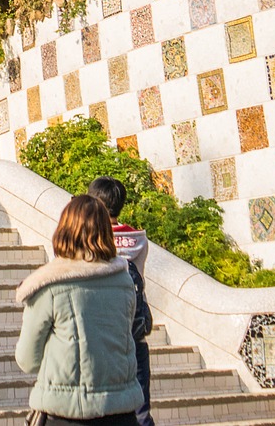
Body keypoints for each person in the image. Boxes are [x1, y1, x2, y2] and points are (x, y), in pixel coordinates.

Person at [15, 195, 144, 426]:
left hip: (66, 413)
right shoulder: (124, 280)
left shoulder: (50, 285)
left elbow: (27, 359)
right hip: (122, 412)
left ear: (64, 230)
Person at [87, 178, 156, 426]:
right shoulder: (139, 239)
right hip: (134, 333)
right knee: (141, 411)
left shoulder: (93, 240)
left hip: (104, 336)